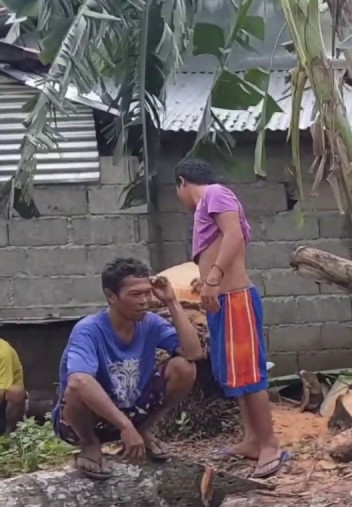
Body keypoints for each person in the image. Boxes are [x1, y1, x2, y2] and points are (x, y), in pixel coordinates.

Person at [175, 158, 287, 479]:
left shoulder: (215, 193)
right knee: (237, 375)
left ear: (182, 182)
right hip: (222, 300)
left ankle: (269, 445)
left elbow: (234, 235)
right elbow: (220, 246)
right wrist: (206, 279)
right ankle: (252, 440)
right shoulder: (204, 209)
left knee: (250, 374)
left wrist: (214, 278)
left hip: (236, 298)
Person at [53, 258, 202, 479]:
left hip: (134, 412)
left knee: (184, 367)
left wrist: (171, 302)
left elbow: (193, 353)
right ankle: (90, 443)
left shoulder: (150, 323)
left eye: (146, 293)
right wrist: (124, 426)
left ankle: (145, 430)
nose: (144, 301)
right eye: (135, 295)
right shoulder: (89, 330)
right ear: (111, 296)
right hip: (89, 420)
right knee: (76, 388)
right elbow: (78, 381)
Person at [0, 337, 25, 434]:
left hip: (5, 403)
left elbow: (1, 393)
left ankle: (10, 435)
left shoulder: (3, 351)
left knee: (15, 392)